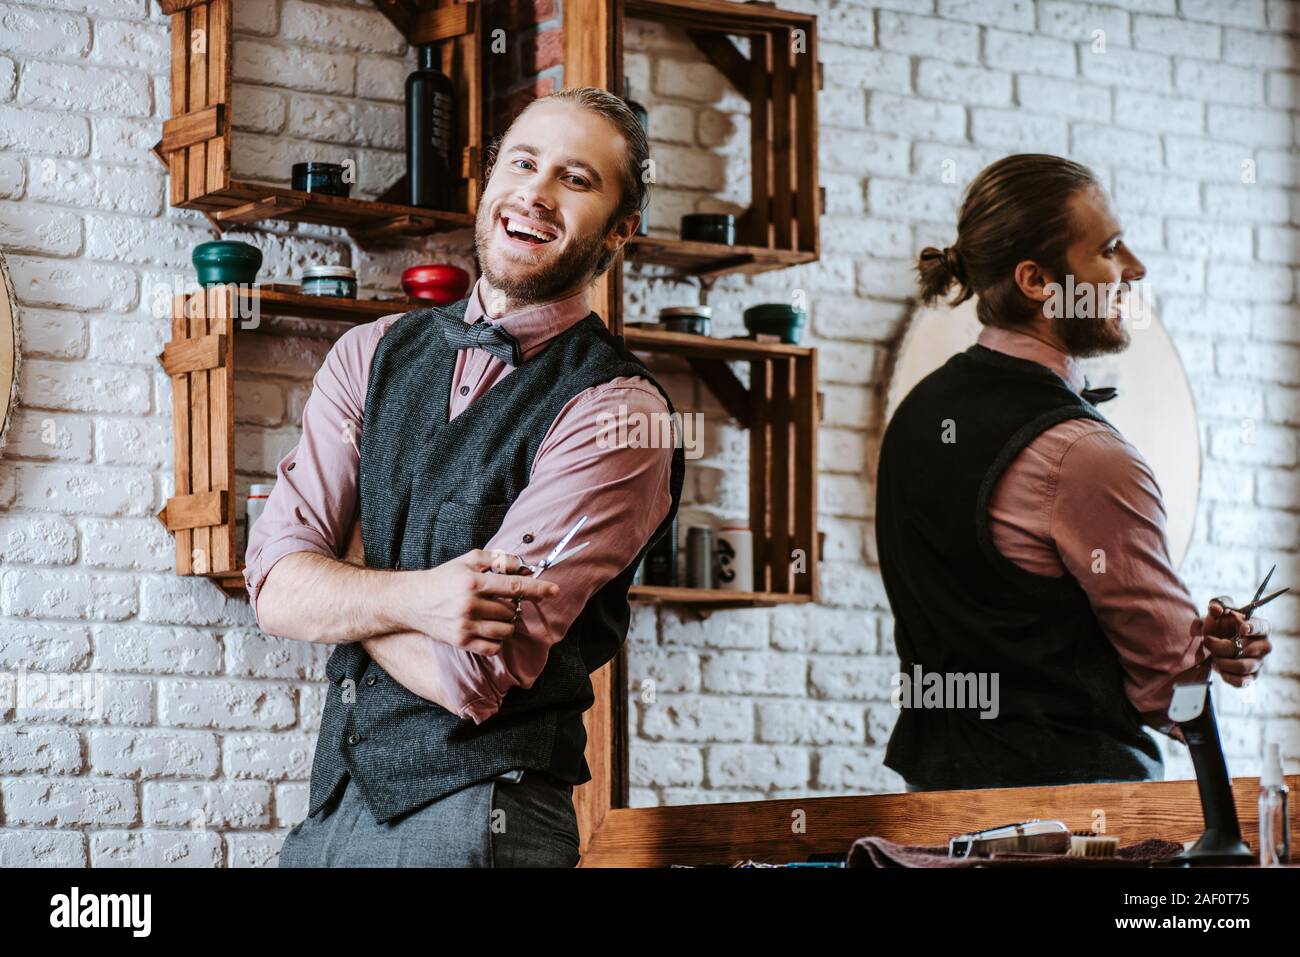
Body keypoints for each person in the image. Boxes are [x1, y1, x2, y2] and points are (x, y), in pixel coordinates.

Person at [248, 87, 684, 866]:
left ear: (620, 231)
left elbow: (469, 673)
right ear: (490, 182)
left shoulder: (622, 413)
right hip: (329, 813)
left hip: (482, 819)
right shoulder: (369, 353)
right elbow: (275, 592)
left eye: (576, 180)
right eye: (523, 162)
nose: (537, 193)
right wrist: (423, 598)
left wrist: (340, 571)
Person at [875, 154, 1273, 792]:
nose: (1135, 269)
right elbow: (1171, 688)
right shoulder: (1086, 457)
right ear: (1036, 280)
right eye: (1110, 248)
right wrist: (1210, 657)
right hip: (1082, 828)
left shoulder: (915, 418)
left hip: (931, 816)